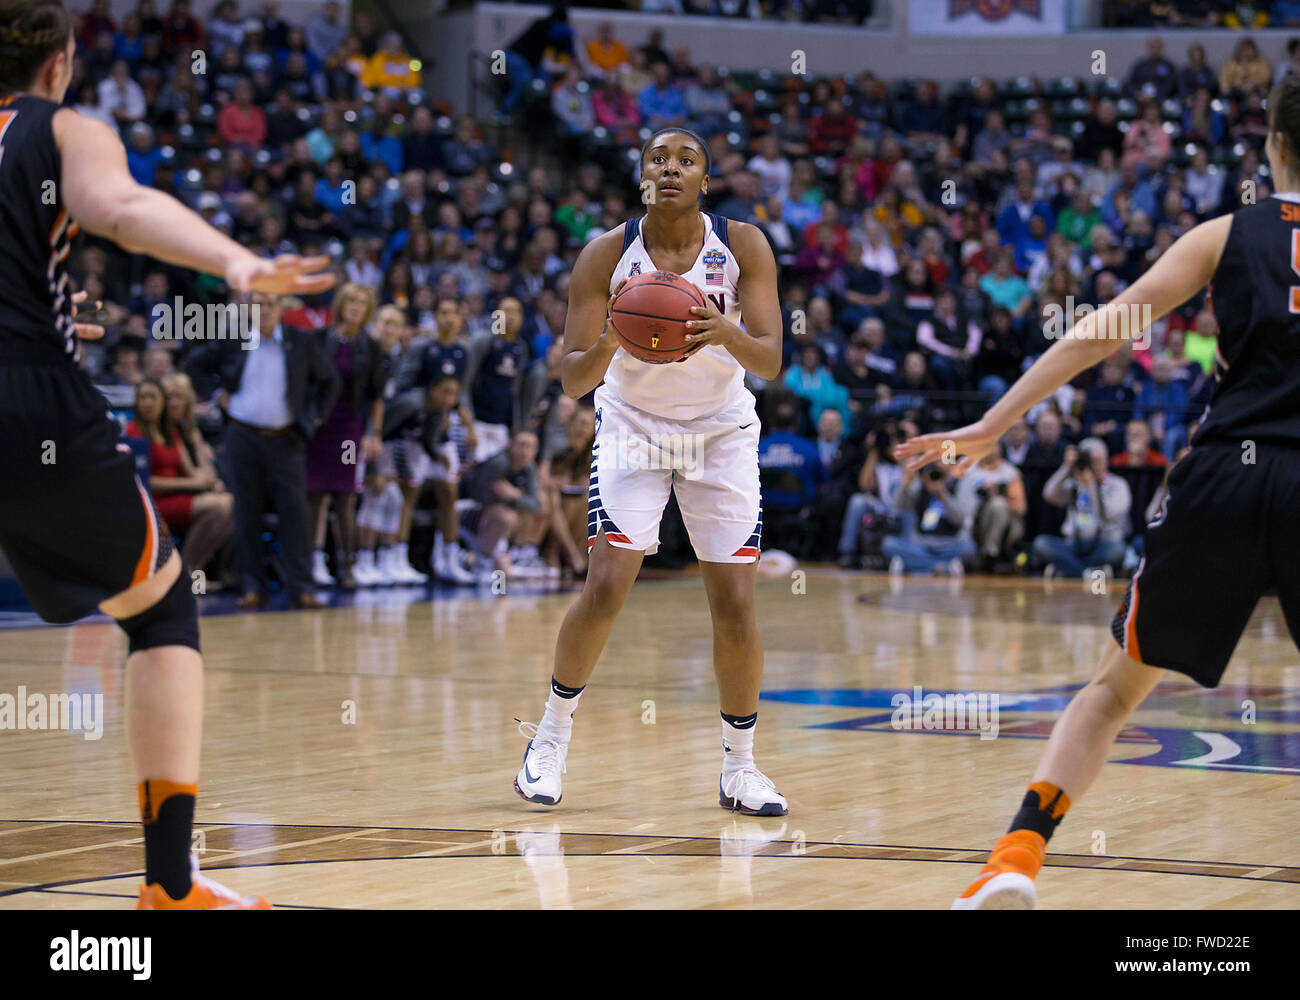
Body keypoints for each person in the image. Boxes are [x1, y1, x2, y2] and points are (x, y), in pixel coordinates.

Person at [895, 71, 1300, 910]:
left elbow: (1097, 333)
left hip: (1225, 476)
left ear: (1272, 144)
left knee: (1114, 691)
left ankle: (1014, 860)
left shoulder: (1226, 234)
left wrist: (993, 424)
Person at [0, 0, 332, 909]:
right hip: (26, 397)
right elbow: (120, 207)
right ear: (60, 65)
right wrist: (235, 263)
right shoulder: (61, 127)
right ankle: (168, 882)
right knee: (158, 609)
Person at [512, 127, 787, 816]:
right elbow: (574, 380)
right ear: (642, 176)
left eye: (685, 160)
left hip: (721, 433)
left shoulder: (744, 245)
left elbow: (770, 360)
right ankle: (548, 742)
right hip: (634, 428)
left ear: (705, 177)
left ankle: (740, 768)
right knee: (605, 587)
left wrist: (723, 332)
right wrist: (615, 332)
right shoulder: (606, 254)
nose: (671, 169)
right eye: (658, 160)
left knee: (735, 605)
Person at [306, 284, 386, 589]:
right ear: (341, 304)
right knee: (314, 496)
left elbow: (376, 395)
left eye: (361, 302)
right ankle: (313, 561)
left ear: (368, 310)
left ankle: (348, 566)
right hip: (319, 427)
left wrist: (373, 433)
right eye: (350, 300)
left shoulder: (371, 345)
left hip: (348, 430)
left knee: (345, 495)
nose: (355, 306)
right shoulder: (320, 337)